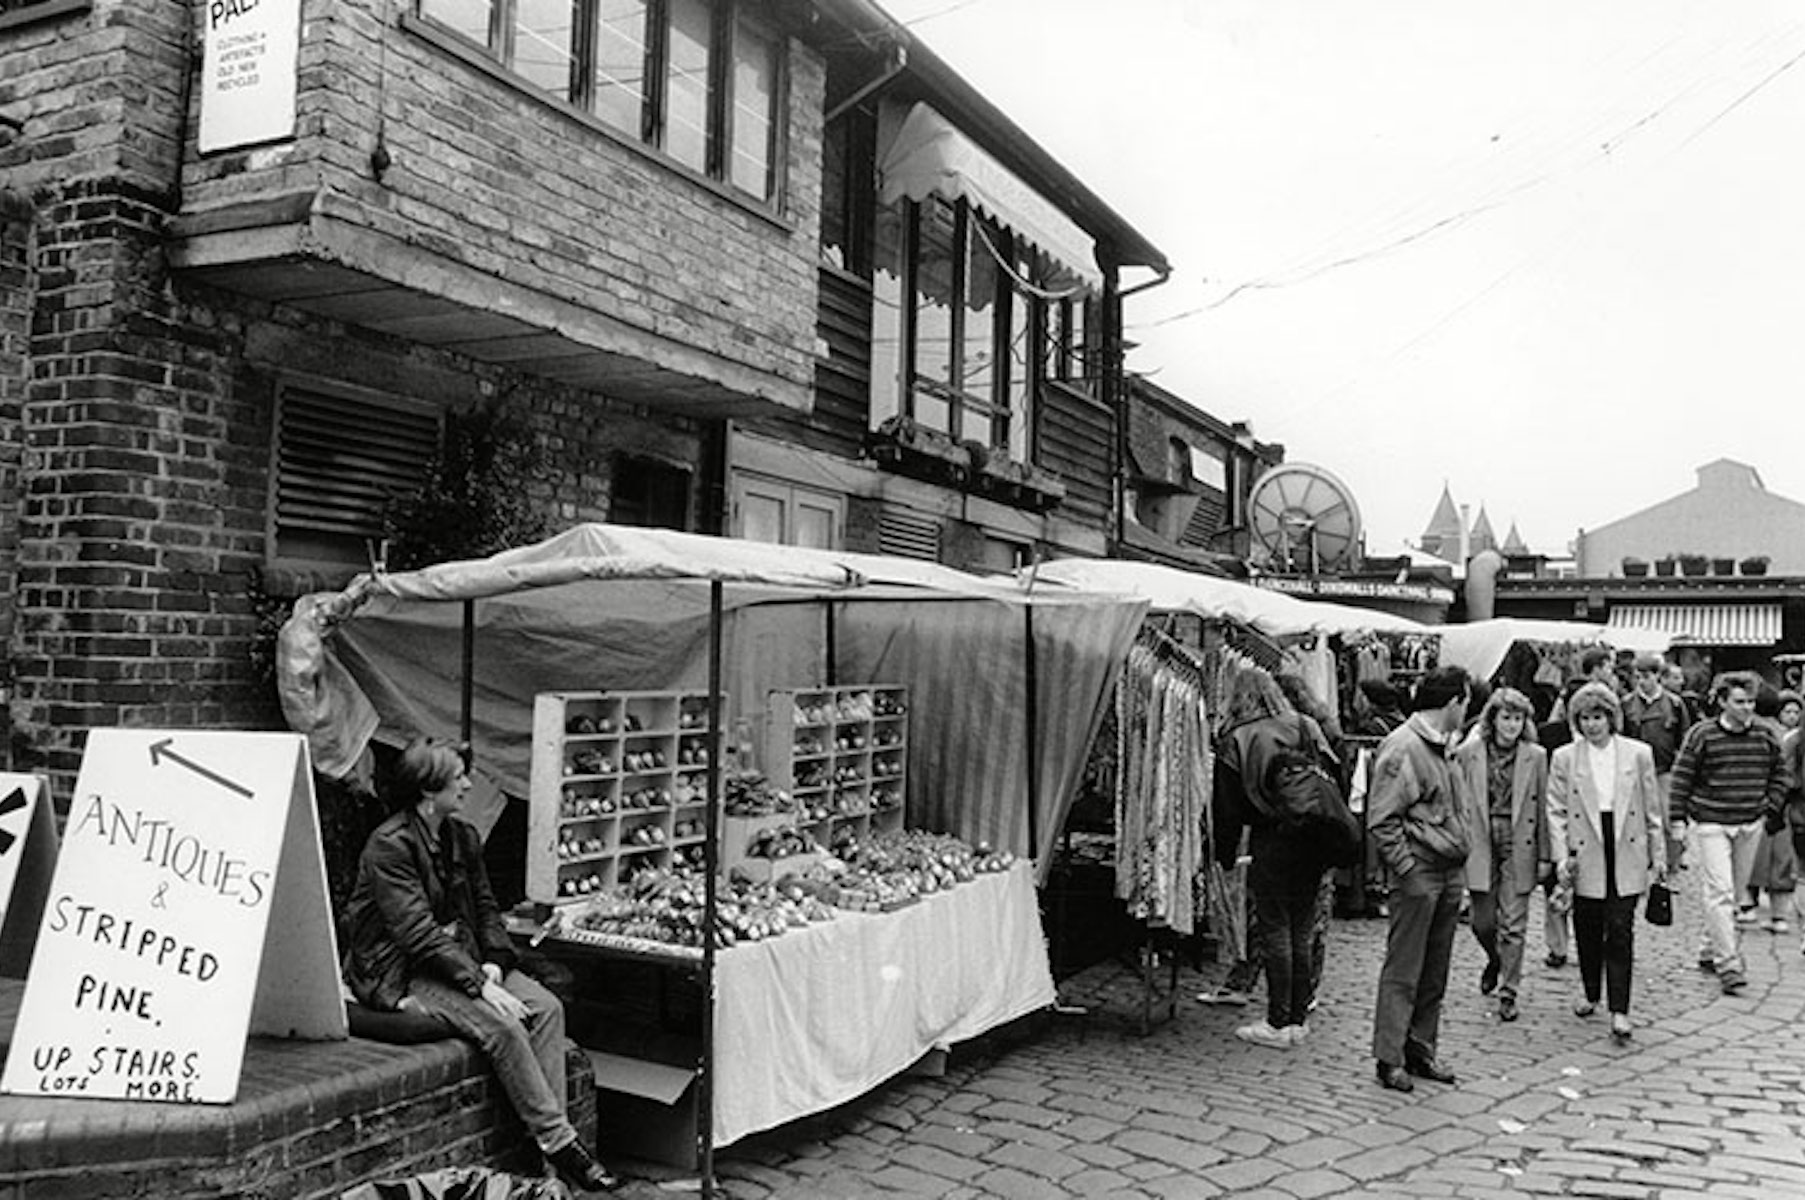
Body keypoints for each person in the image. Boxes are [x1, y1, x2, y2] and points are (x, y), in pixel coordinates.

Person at [344, 737, 621, 1194]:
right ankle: (562, 1146)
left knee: (547, 1008)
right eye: (458, 779)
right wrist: (480, 986)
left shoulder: (462, 836)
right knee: (503, 1027)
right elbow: (416, 933)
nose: (469, 784)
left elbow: (487, 908)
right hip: (404, 969)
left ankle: (551, 1176)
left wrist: (493, 962)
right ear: (428, 791)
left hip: (463, 961)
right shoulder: (388, 847)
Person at [1212, 671, 1342, 1048]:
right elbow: (1335, 770)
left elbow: (1227, 807)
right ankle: (1297, 1017)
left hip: (1272, 837)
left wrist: (1224, 853)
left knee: (1274, 928)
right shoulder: (1304, 725)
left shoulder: (1237, 739)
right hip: (1313, 836)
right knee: (1301, 927)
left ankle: (1277, 1020)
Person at [1368, 665, 1473, 1092]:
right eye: (1465, 702)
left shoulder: (1443, 745)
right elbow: (1382, 820)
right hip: (1420, 870)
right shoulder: (1404, 747)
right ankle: (1389, 1056)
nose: (1467, 711)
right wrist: (1407, 870)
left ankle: (1420, 1047)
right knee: (1405, 967)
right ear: (1453, 702)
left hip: (1445, 871)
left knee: (1434, 969)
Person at [1545, 683, 1666, 1044]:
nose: (1592, 725)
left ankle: (1620, 1008)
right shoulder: (1565, 757)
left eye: (1598, 717)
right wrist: (1561, 856)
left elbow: (1652, 808)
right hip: (1587, 846)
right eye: (1585, 718)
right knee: (1587, 924)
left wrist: (1657, 857)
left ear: (1611, 718)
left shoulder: (1637, 753)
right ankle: (1590, 990)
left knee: (1620, 927)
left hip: (1626, 842)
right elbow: (1556, 809)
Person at [1669, 671, 1789, 995]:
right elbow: (1682, 778)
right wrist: (1678, 820)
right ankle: (1729, 963)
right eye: (1739, 702)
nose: (1747, 708)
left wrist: (1769, 806)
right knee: (1719, 891)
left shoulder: (1765, 735)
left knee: (1734, 894)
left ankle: (1709, 949)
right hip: (1711, 823)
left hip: (1750, 823)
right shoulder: (1702, 735)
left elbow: (1781, 773)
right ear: (1722, 702)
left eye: (1750, 702)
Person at [1454, 687, 1550, 1023]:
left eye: (1518, 718)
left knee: (1514, 922)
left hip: (1518, 837)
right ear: (1492, 719)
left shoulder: (1535, 756)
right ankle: (1495, 959)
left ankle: (1509, 990)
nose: (1511, 725)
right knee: (1483, 921)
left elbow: (1544, 806)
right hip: (1481, 837)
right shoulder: (1469, 753)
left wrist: (1545, 855)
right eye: (1505, 717)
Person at [1621, 653, 1693, 874]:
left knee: (1670, 819)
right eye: (1638, 676)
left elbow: (1684, 738)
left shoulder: (1674, 704)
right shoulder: (1626, 704)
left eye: (1647, 676)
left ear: (1658, 677)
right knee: (1636, 818)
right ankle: (1642, 862)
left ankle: (1672, 865)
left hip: (1665, 770)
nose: (1642, 681)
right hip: (1634, 770)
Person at [1746, 689, 1801, 933]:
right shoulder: (1787, 739)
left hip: (1780, 805)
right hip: (1777, 805)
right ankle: (1756, 905)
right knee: (1766, 856)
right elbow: (1784, 774)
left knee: (1777, 859)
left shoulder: (1788, 737)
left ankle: (1767, 909)